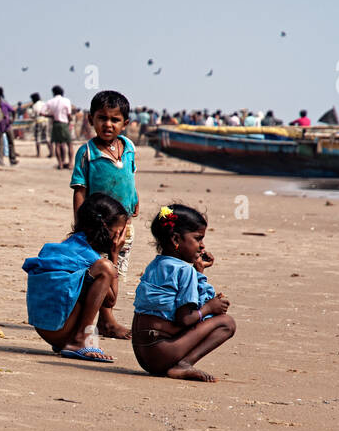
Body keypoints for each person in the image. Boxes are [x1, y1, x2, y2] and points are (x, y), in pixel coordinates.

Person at [130, 205, 234, 382]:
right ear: (176, 239)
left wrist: (199, 272)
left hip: (143, 352)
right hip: (161, 352)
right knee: (226, 323)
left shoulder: (156, 264)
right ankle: (183, 364)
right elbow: (185, 319)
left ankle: (179, 363)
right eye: (198, 239)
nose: (202, 246)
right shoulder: (185, 271)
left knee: (203, 316)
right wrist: (210, 307)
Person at [22, 192, 130, 362]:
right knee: (105, 269)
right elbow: (110, 300)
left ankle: (72, 340)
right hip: (59, 330)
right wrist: (114, 255)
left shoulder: (67, 246)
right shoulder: (90, 257)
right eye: (118, 232)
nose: (122, 238)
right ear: (105, 229)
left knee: (86, 279)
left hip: (46, 327)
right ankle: (80, 339)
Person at [70, 89, 138, 340]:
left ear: (125, 123)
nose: (108, 124)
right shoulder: (87, 153)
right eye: (102, 118)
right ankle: (105, 321)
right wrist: (81, 224)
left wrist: (135, 199)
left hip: (124, 224)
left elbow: (130, 177)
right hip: (97, 225)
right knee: (103, 268)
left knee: (119, 266)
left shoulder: (128, 147)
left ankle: (105, 319)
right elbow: (80, 190)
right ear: (91, 120)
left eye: (115, 119)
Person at [45, 86, 74, 169]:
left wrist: (51, 116)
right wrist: (70, 121)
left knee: (57, 144)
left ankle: (60, 164)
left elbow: (42, 112)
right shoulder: (66, 101)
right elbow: (69, 114)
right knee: (69, 144)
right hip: (64, 123)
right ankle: (71, 163)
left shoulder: (50, 101)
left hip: (56, 123)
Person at [0, 87, 18, 166]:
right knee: (0, 144)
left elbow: (13, 111)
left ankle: (12, 160)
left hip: (7, 126)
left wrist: (12, 119)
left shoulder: (5, 104)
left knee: (11, 143)